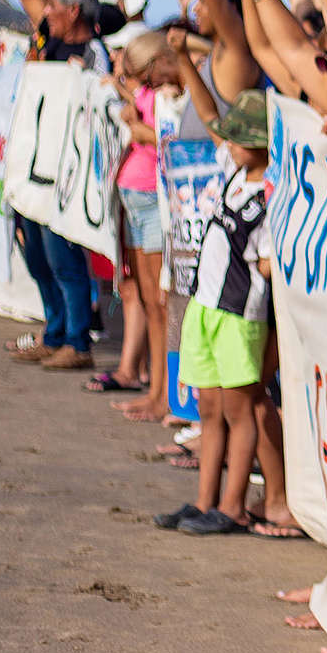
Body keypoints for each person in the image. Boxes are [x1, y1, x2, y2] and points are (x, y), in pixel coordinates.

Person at [153, 87, 276, 537]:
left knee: (238, 412)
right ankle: (205, 500)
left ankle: (233, 505)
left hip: (240, 315)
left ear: (259, 144)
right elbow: (208, 115)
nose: (225, 144)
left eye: (236, 139)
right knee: (208, 408)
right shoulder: (236, 173)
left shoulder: (270, 196)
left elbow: (269, 263)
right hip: (204, 307)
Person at [8, 0, 114, 367]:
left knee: (63, 257)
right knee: (34, 254)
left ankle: (77, 342)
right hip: (35, 165)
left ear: (74, 11)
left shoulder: (95, 54)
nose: (45, 11)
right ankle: (53, 331)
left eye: (54, 6)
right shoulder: (50, 39)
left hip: (65, 174)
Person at [98, 32, 175, 400]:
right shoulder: (150, 92)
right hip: (135, 198)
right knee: (148, 301)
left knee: (159, 305)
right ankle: (157, 392)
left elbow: (165, 138)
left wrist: (135, 126)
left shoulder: (168, 96)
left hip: (150, 200)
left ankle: (163, 395)